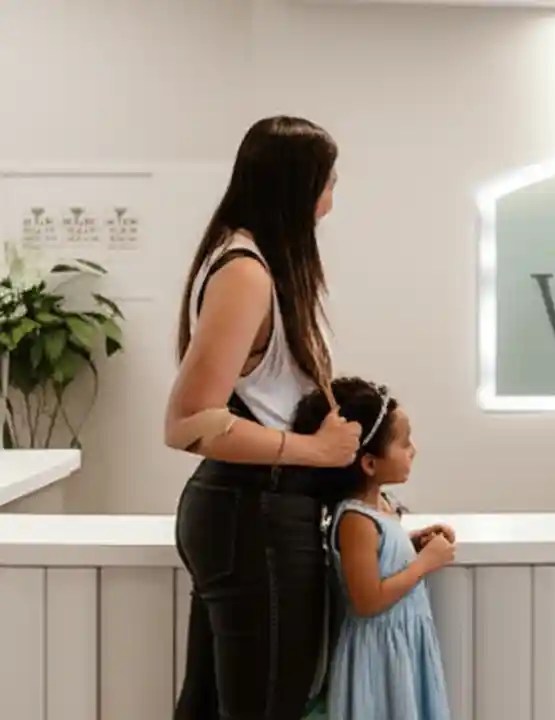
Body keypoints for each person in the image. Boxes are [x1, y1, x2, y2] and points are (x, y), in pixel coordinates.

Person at [165, 116, 363, 719]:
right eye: (327, 184)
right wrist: (317, 452)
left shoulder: (251, 264)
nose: (330, 202)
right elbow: (188, 421)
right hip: (253, 516)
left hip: (252, 513)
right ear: (295, 189)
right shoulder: (246, 272)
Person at [292, 378, 455, 720]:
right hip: (378, 654)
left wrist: (413, 544)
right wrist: (424, 564)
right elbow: (367, 601)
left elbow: (378, 557)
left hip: (402, 644)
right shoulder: (355, 520)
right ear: (368, 463)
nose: (414, 450)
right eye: (404, 443)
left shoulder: (379, 506)